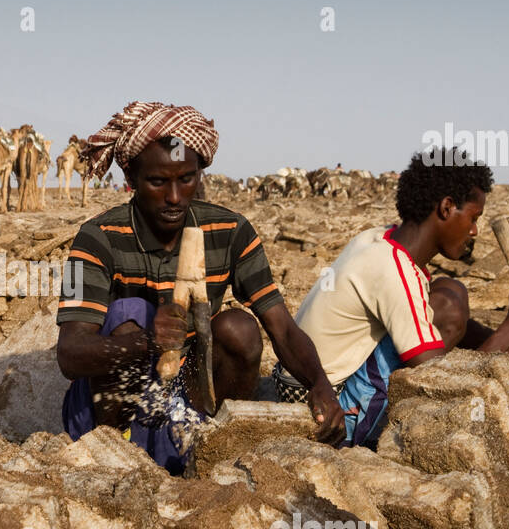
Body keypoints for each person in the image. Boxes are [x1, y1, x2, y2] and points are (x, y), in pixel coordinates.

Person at [55, 101, 344, 474]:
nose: (175, 197)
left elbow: (282, 327)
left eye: (187, 179)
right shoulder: (96, 239)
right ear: (131, 177)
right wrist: (145, 343)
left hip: (187, 394)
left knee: (239, 328)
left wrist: (319, 383)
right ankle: (120, 457)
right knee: (133, 313)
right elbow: (70, 354)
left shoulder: (231, 231)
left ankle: (210, 447)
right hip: (111, 411)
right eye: (158, 182)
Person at [285, 146, 509, 449]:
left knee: (449, 297)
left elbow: (455, 326)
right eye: (474, 218)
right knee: (449, 303)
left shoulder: (382, 240)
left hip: (306, 383)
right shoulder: (393, 270)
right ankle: (377, 437)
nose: (475, 232)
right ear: (447, 207)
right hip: (327, 409)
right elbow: (438, 381)